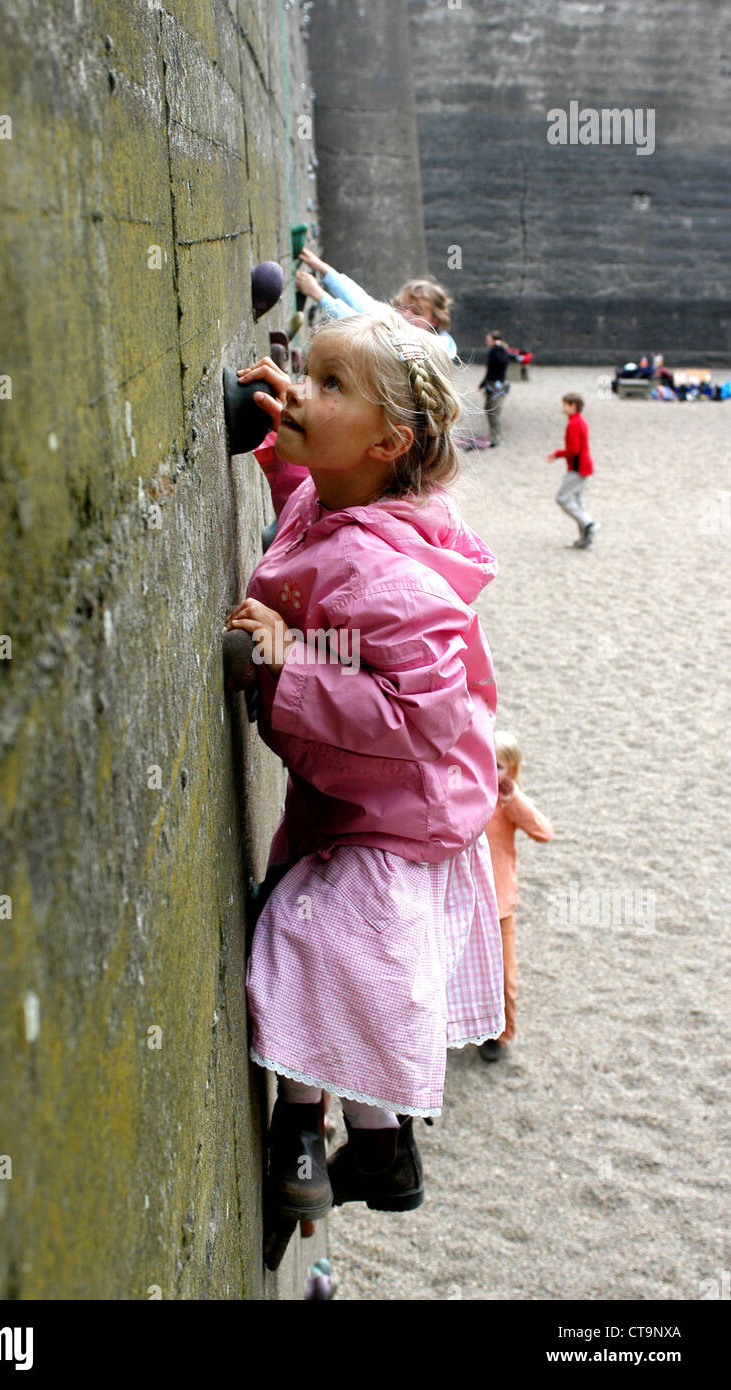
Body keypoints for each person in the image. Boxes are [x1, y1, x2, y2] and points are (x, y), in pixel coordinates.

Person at [227, 307, 504, 1231]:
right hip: (360, 791)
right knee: (348, 960)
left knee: (307, 950)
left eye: (328, 385)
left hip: (398, 811)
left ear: (388, 443)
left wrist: (290, 663)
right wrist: (278, 440)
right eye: (303, 373)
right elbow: (303, 518)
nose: (303, 390)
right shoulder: (339, 495)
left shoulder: (389, 577)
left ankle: (300, 1138)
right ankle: (383, 1152)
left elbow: (420, 716)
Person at [481, 732, 553, 1062]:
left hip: (499, 905)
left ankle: (501, 1033)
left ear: (511, 772)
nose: (490, 770)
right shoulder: (471, 795)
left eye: (498, 766)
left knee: (505, 976)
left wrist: (515, 801)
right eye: (486, 761)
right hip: (467, 902)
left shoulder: (507, 802)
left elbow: (543, 832)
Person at [295, 247, 459, 359]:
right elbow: (364, 303)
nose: (405, 314)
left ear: (435, 320)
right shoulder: (409, 328)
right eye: (403, 307)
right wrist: (323, 268)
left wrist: (318, 294)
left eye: (416, 312)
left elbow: (364, 328)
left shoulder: (423, 347)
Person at [547, 392, 598, 548]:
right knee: (578, 502)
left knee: (562, 498)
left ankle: (588, 524)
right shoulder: (579, 421)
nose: (563, 408)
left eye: (566, 405)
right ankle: (585, 539)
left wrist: (557, 454)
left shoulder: (574, 423)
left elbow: (574, 449)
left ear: (573, 406)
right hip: (583, 465)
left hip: (578, 467)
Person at [478, 331, 510, 447]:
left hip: (498, 386)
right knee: (489, 409)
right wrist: (483, 384)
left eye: (488, 339)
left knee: (495, 411)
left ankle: (497, 438)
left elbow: (502, 361)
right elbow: (490, 370)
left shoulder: (499, 351)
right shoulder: (495, 351)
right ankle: (494, 435)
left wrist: (497, 346)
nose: (486, 341)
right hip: (491, 385)